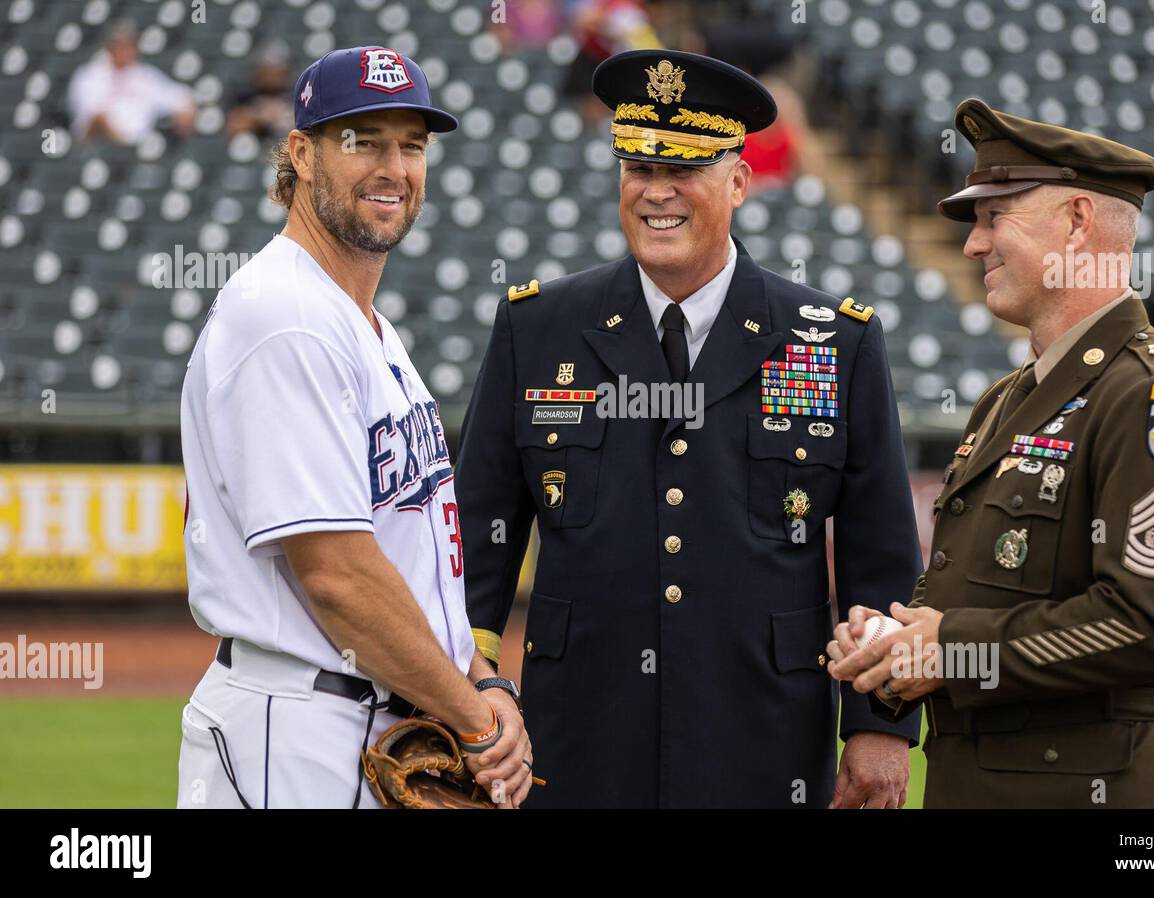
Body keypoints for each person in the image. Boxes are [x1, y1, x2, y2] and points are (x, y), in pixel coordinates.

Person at [456, 49, 921, 809]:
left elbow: (881, 558)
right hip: (577, 741)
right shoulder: (537, 329)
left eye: (686, 169)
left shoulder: (834, 343)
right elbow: (478, 537)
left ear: (739, 180)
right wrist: (471, 683)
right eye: (637, 167)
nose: (656, 192)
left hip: (763, 743)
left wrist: (880, 723)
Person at [826, 99, 1154, 808]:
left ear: (1077, 224)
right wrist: (891, 647)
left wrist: (948, 649)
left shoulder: (1152, 401)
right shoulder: (1008, 399)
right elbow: (965, 596)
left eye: (996, 218)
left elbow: (1144, 628)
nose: (972, 243)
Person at [176, 46, 533, 809]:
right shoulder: (285, 316)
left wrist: (484, 680)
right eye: (362, 140)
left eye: (412, 145)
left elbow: (412, 560)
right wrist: (478, 727)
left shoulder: (359, 320)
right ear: (301, 155)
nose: (393, 167)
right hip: (299, 727)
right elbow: (336, 572)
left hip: (362, 714)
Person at [67, 19, 196, 145]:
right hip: (102, 147)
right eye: (122, 45)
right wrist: (121, 143)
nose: (127, 51)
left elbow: (182, 97)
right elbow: (93, 120)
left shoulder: (144, 75)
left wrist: (183, 112)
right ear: (111, 46)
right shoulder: (89, 75)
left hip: (141, 149)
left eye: (131, 45)